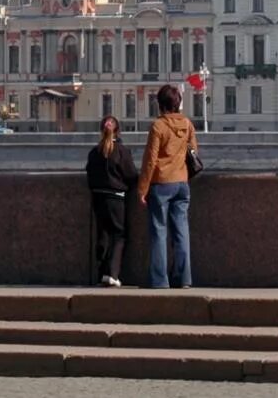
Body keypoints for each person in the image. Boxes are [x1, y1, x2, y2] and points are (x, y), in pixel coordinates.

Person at [138, 85, 198, 289]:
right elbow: (193, 152)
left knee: (159, 231)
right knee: (182, 231)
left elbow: (150, 160)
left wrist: (142, 189)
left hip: (161, 183)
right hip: (182, 183)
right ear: (178, 103)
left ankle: (159, 280)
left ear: (160, 104)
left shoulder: (158, 126)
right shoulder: (188, 124)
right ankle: (183, 278)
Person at [85, 115, 138, 287]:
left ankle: (101, 273)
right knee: (119, 234)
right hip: (116, 198)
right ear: (118, 131)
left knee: (103, 234)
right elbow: (130, 175)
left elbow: (90, 176)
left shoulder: (94, 152)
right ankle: (113, 273)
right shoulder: (122, 151)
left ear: (101, 130)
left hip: (98, 197)